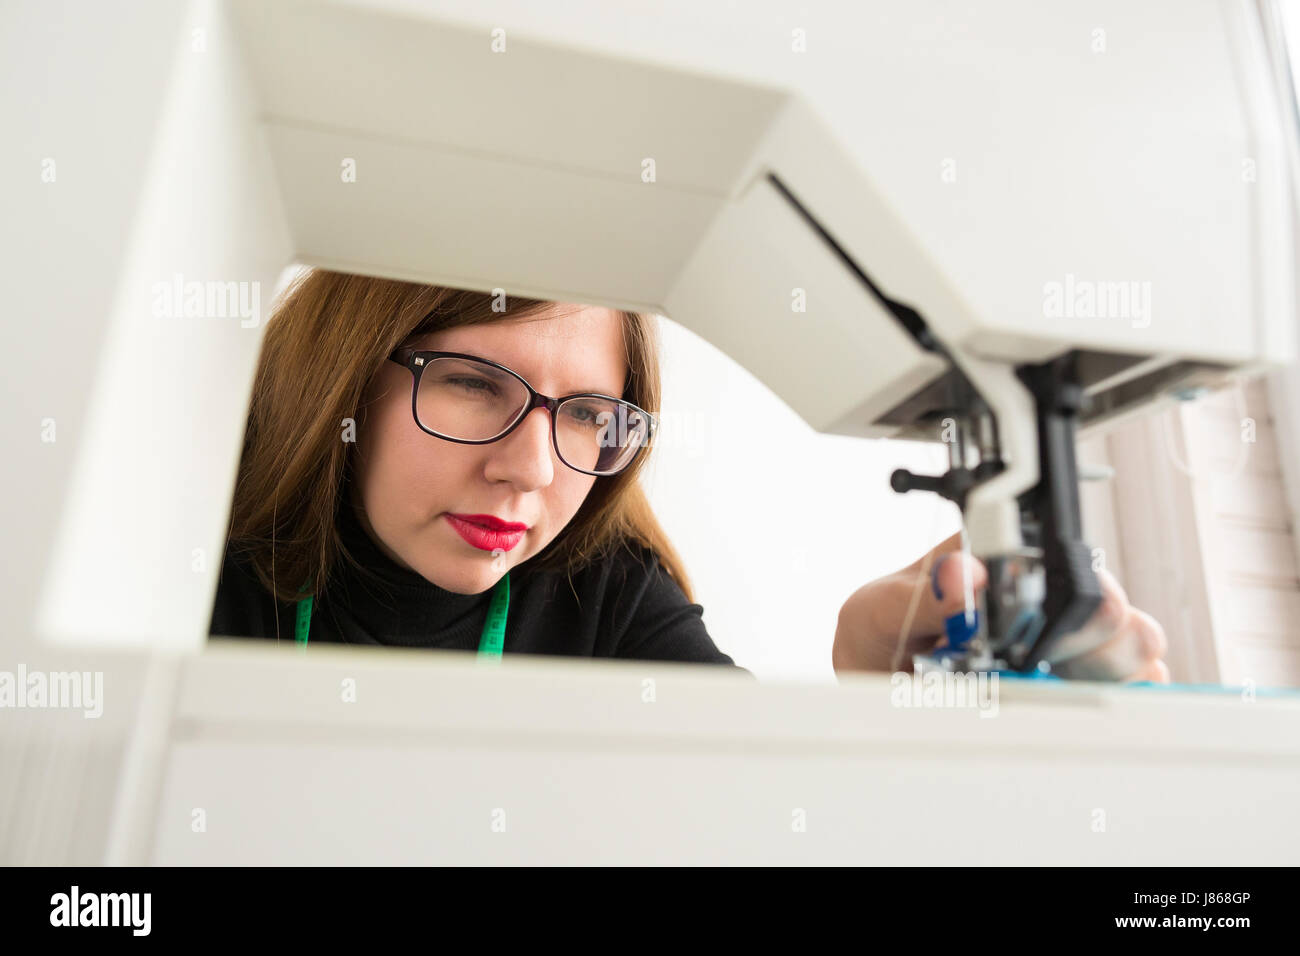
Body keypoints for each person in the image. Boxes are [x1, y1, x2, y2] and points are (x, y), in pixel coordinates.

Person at [209, 268, 1169, 683]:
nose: (532, 470)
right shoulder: (191, 572)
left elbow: (757, 821)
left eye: (586, 414)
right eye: (470, 383)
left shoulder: (608, 596)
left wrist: (872, 704)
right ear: (345, 370)